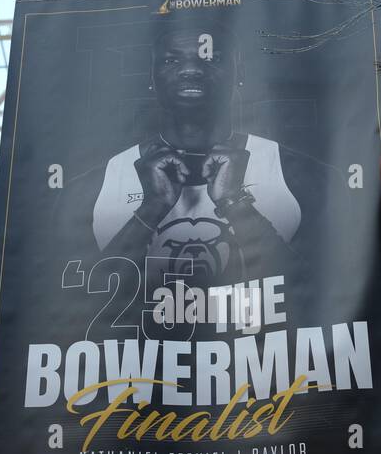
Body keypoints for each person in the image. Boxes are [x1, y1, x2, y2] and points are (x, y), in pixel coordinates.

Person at [91, 20, 301, 290]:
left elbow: (313, 291)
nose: (191, 69)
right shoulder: (99, 181)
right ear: (150, 77)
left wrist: (235, 203)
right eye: (170, 60)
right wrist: (151, 207)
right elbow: (86, 300)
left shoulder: (294, 170)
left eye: (211, 57)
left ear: (239, 72)